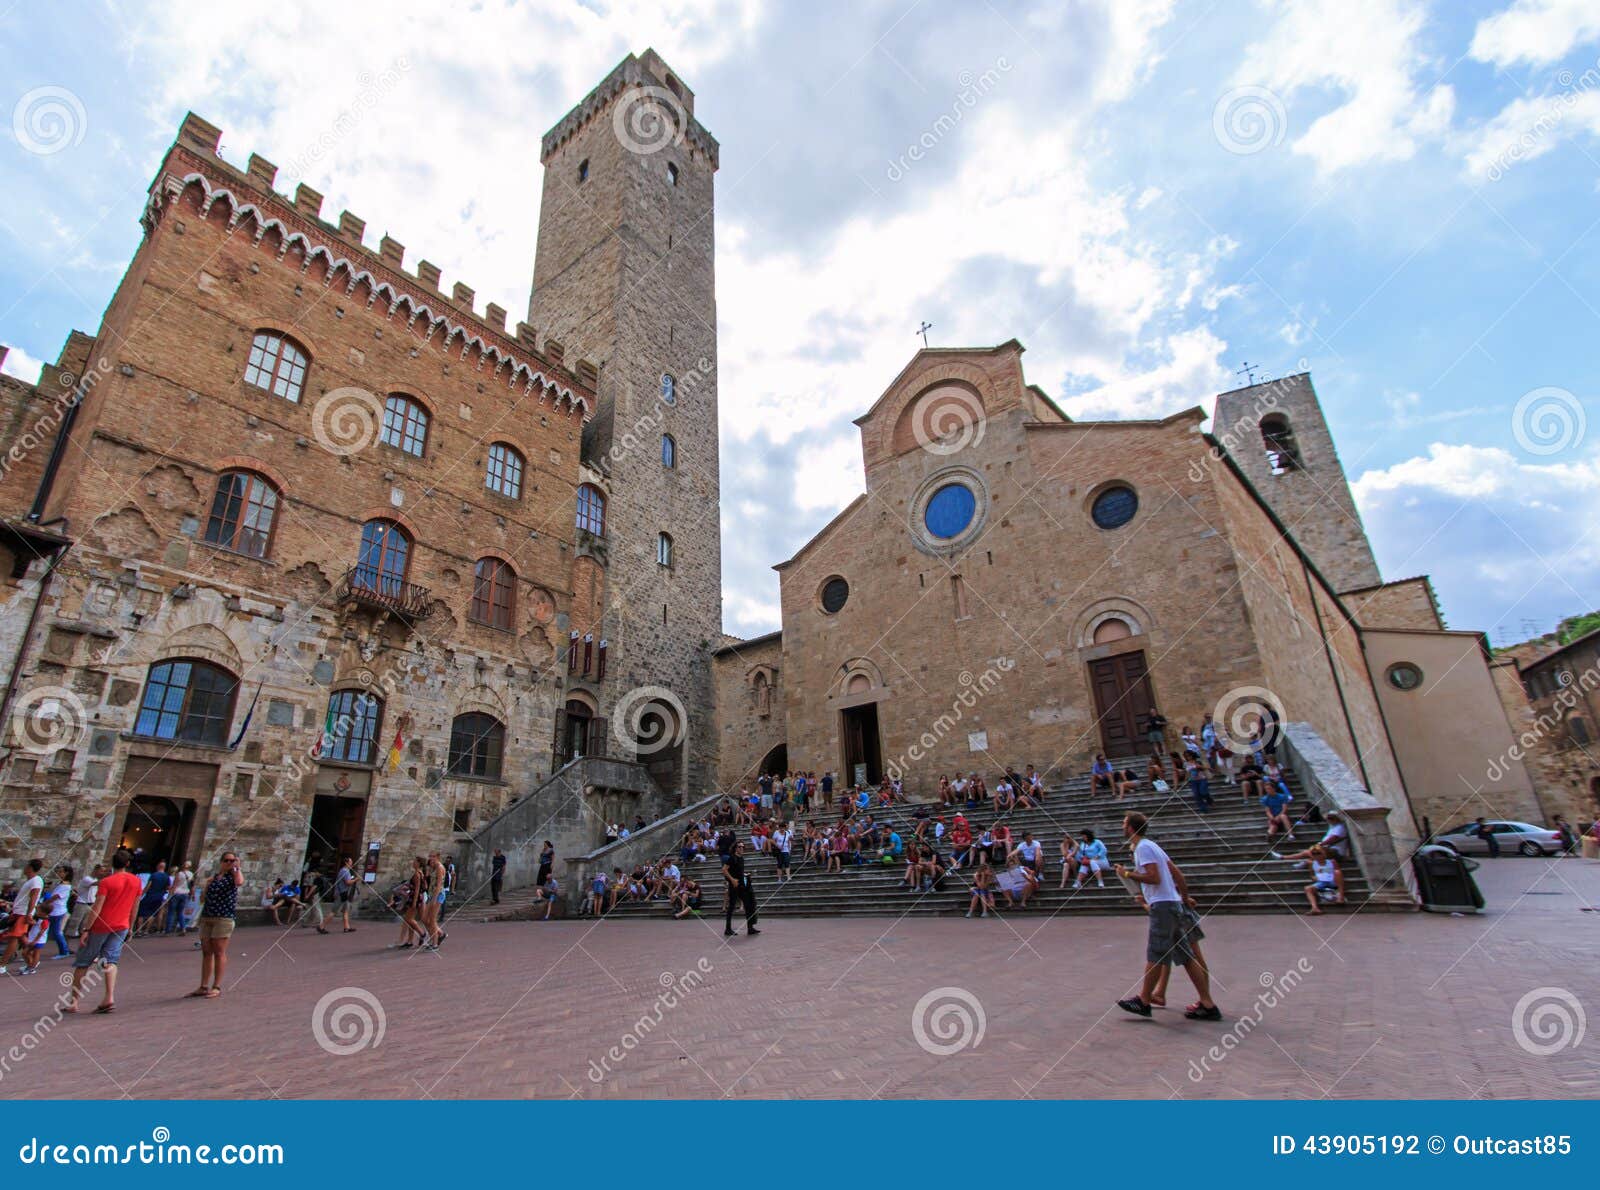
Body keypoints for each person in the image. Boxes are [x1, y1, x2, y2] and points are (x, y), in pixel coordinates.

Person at [1115, 811, 1220, 1021]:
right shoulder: (1152, 845)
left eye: (1124, 823)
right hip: (1171, 903)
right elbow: (1176, 873)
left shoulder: (1143, 848)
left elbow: (1153, 877)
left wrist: (1126, 874)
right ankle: (1208, 1004)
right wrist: (1184, 897)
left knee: (1156, 953)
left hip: (1162, 906)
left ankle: (1144, 1001)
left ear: (1131, 828)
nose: (1122, 826)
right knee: (1187, 957)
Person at [64, 849, 141, 1014]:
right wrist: (131, 926)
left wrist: (86, 929)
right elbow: (135, 906)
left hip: (101, 925)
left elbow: (97, 907)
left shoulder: (107, 882)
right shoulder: (135, 881)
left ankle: (74, 1001)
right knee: (111, 961)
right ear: (127, 864)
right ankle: (109, 996)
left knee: (83, 963)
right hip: (121, 925)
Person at [191, 850, 243, 999]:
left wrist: (237, 868)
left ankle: (216, 986)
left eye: (232, 861)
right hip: (208, 917)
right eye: (227, 860)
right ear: (221, 862)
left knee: (219, 951)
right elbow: (203, 898)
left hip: (223, 918)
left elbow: (239, 882)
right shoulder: (214, 878)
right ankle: (203, 986)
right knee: (206, 951)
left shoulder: (233, 876)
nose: (229, 863)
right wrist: (206, 886)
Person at [0, 858, 44, 974]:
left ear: (30, 868)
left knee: (14, 937)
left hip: (23, 914)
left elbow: (33, 898)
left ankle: (2, 965)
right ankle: (32, 962)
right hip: (19, 912)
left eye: (26, 866)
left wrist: (29, 914)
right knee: (22, 938)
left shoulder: (35, 881)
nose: (24, 868)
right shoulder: (31, 881)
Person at [721, 839, 760, 937]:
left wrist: (746, 874)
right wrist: (732, 880)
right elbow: (724, 870)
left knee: (748, 905)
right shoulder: (732, 858)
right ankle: (728, 929)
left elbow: (739, 871)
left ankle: (750, 928)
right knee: (731, 907)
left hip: (742, 885)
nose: (742, 848)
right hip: (734, 885)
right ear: (735, 848)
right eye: (739, 847)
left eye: (743, 847)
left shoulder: (741, 858)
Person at [42, 866, 73, 959]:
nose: (59, 873)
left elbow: (55, 897)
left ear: (66, 873)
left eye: (61, 872)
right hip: (54, 911)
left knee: (57, 932)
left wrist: (44, 904)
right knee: (52, 931)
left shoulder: (65, 886)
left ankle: (64, 951)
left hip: (57, 911)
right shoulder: (62, 884)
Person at [1302, 846, 1344, 914]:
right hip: (1321, 881)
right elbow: (1312, 874)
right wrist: (1314, 877)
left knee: (1337, 873)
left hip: (1332, 880)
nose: (1316, 855)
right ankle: (1315, 908)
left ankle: (1340, 897)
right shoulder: (1312, 863)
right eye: (1314, 854)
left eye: (1318, 853)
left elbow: (1337, 871)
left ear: (1323, 853)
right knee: (1307, 888)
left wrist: (1325, 871)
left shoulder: (1331, 862)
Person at [134, 860, 171, 936]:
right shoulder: (167, 877)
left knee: (141, 913)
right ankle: (146, 931)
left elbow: (148, 886)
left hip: (150, 896)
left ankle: (139, 930)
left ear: (158, 866)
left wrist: (142, 894)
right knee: (152, 914)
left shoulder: (154, 875)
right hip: (159, 897)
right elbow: (168, 887)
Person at [67, 864, 102, 940]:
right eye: (101, 871)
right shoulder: (87, 879)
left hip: (90, 904)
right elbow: (95, 884)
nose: (101, 873)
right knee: (74, 924)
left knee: (84, 926)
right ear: (96, 870)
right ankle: (66, 945)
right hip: (81, 904)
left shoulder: (96, 880)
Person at [163, 860, 193, 935]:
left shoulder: (179, 873)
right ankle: (183, 928)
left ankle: (168, 930)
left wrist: (169, 896)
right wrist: (192, 894)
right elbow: (192, 885)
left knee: (171, 912)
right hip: (185, 893)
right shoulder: (191, 874)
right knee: (180, 912)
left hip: (177, 893)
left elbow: (174, 885)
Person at [330, 856, 357, 932]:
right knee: (333, 912)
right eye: (350, 862)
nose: (351, 863)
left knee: (345, 910)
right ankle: (321, 926)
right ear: (346, 863)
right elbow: (348, 882)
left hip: (344, 894)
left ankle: (347, 927)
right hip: (341, 894)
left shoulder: (345, 871)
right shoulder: (345, 871)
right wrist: (356, 879)